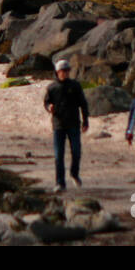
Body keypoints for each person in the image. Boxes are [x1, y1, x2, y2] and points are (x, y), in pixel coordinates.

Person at [43, 59, 89, 193]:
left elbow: (83, 103)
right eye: (63, 71)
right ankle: (60, 183)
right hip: (58, 125)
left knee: (76, 152)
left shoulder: (75, 86)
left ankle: (74, 174)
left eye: (67, 70)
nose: (65, 73)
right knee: (59, 155)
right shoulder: (51, 88)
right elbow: (46, 102)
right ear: (57, 72)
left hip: (74, 124)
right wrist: (49, 107)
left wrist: (86, 120)